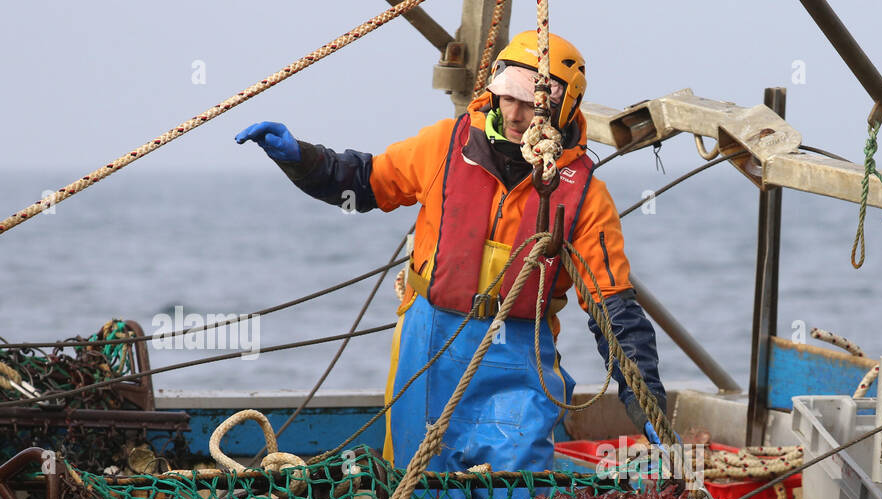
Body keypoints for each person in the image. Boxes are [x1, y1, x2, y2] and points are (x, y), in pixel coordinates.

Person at [235, 30, 667, 472]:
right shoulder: (444, 144)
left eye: (534, 104)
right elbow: (363, 182)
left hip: (517, 353)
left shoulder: (586, 196)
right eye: (509, 97)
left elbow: (614, 309)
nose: (518, 114)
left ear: (566, 108)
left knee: (515, 489)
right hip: (429, 343)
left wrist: (646, 400)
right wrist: (299, 159)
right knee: (418, 487)